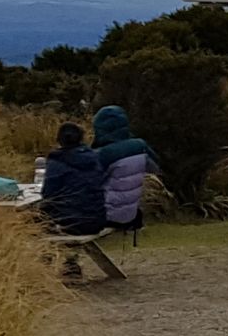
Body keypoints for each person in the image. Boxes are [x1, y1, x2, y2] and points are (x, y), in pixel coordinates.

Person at [37, 122, 109, 258]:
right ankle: (69, 261)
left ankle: (57, 263)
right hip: (97, 219)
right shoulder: (94, 158)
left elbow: (48, 194)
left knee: (37, 220)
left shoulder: (56, 162)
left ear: (59, 139)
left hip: (71, 222)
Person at [89, 104, 155, 233]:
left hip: (106, 215)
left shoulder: (103, 154)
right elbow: (154, 168)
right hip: (131, 213)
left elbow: (88, 183)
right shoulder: (140, 145)